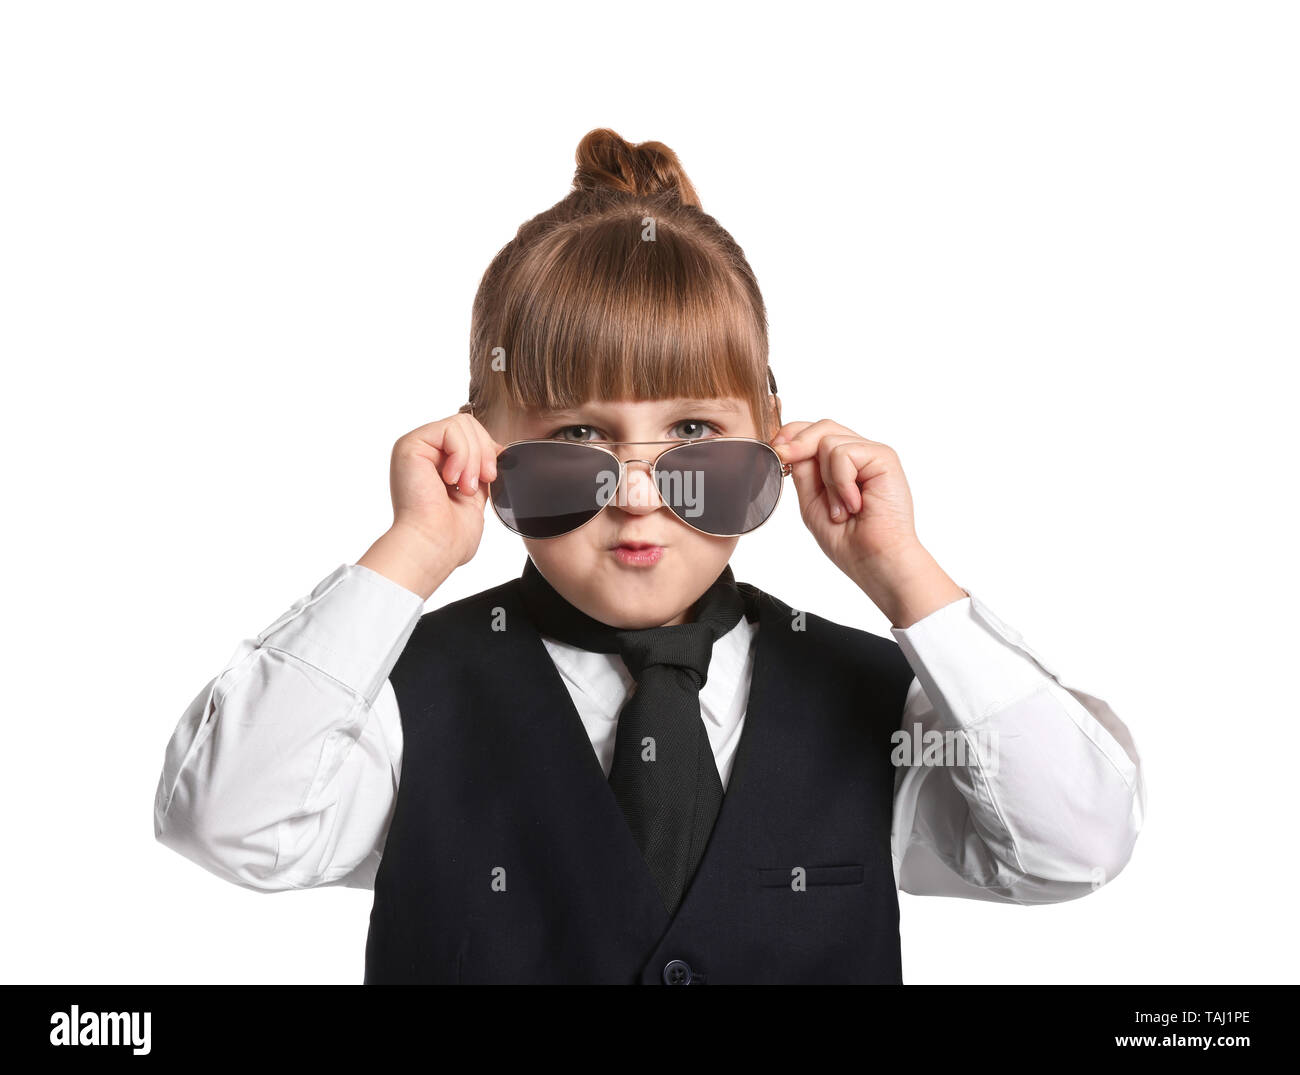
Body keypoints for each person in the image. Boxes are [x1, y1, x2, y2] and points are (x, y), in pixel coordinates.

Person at [153, 128, 1145, 984]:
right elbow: (227, 821)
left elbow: (1078, 846)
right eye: (578, 435)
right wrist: (411, 550)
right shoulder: (394, 704)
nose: (635, 492)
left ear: (769, 435)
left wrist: (908, 583)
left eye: (693, 429)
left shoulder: (876, 699)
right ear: (485, 446)